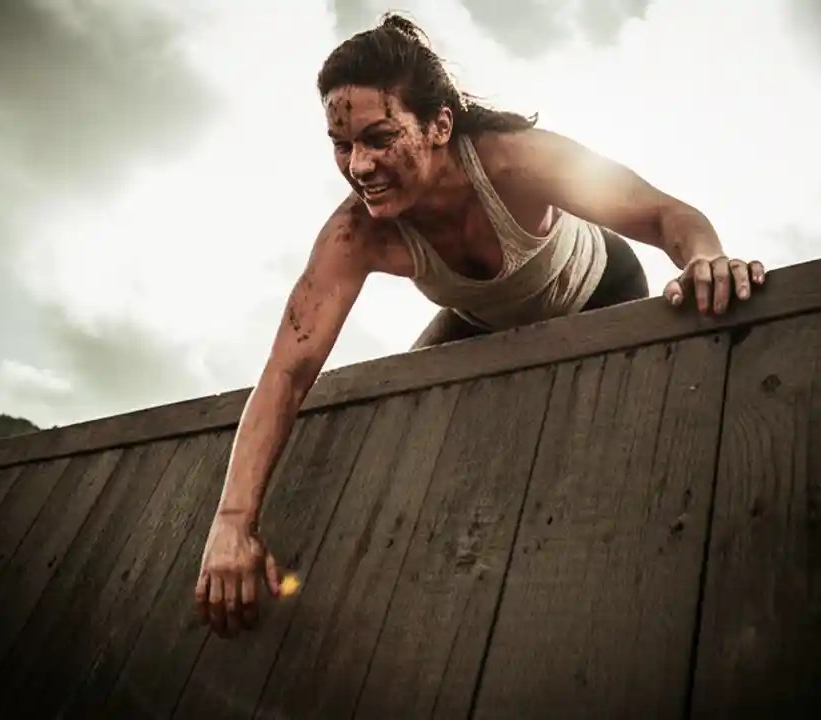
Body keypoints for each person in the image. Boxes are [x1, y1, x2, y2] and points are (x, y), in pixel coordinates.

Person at [195, 13, 765, 636]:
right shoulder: (354, 233)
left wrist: (706, 260)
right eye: (342, 144)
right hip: (477, 319)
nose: (359, 166)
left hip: (601, 292)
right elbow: (286, 371)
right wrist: (233, 521)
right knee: (402, 395)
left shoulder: (517, 162)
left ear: (439, 124)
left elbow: (666, 215)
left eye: (380, 137)